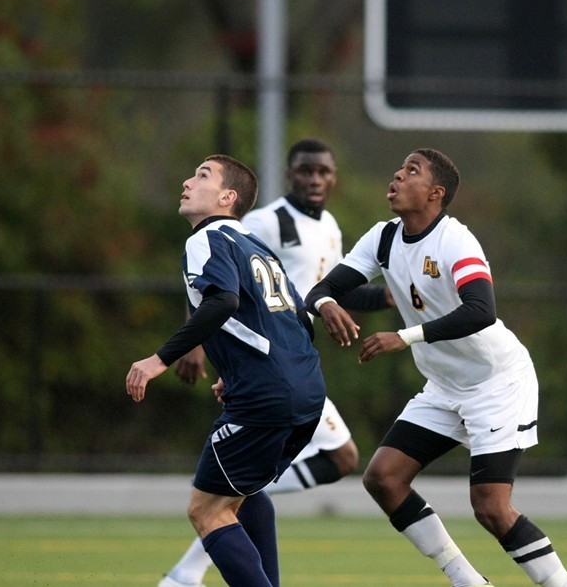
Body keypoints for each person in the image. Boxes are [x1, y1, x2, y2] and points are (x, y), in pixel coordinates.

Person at [305, 148, 567, 587]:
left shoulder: (455, 240)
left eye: (411, 170)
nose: (397, 173)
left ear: (435, 193)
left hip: (497, 382)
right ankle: (468, 581)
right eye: (400, 166)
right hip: (446, 386)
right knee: (383, 479)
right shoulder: (383, 238)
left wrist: (404, 336)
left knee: (491, 506)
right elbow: (322, 288)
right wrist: (328, 302)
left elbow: (481, 310)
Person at [160, 139, 393, 587]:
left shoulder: (328, 226)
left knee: (309, 468)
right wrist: (195, 345)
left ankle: (190, 569)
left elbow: (324, 290)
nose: (315, 178)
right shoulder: (262, 221)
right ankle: (188, 571)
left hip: (288, 360)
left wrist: (394, 292)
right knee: (320, 464)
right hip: (269, 362)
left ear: (334, 177)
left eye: (324, 171)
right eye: (306, 170)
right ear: (290, 174)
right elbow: (216, 279)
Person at [126, 154, 326, 587]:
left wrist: (158, 359)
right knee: (246, 495)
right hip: (307, 392)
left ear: (227, 197)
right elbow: (301, 319)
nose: (187, 180)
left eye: (202, 175)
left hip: (267, 395)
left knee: (206, 510)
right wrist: (242, 367)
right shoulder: (259, 248)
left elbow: (223, 302)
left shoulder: (206, 238)